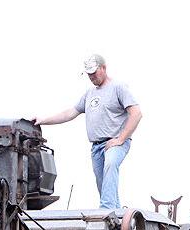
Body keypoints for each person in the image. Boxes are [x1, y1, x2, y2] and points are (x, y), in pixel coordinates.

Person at [33, 54, 142, 209]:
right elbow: (69, 113)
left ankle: (105, 210)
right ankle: (117, 215)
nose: (91, 77)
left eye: (94, 72)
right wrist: (43, 120)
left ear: (103, 68)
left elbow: (136, 113)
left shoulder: (118, 87)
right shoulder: (89, 94)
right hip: (96, 147)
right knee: (104, 185)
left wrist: (120, 139)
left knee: (110, 164)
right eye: (88, 74)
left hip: (115, 142)